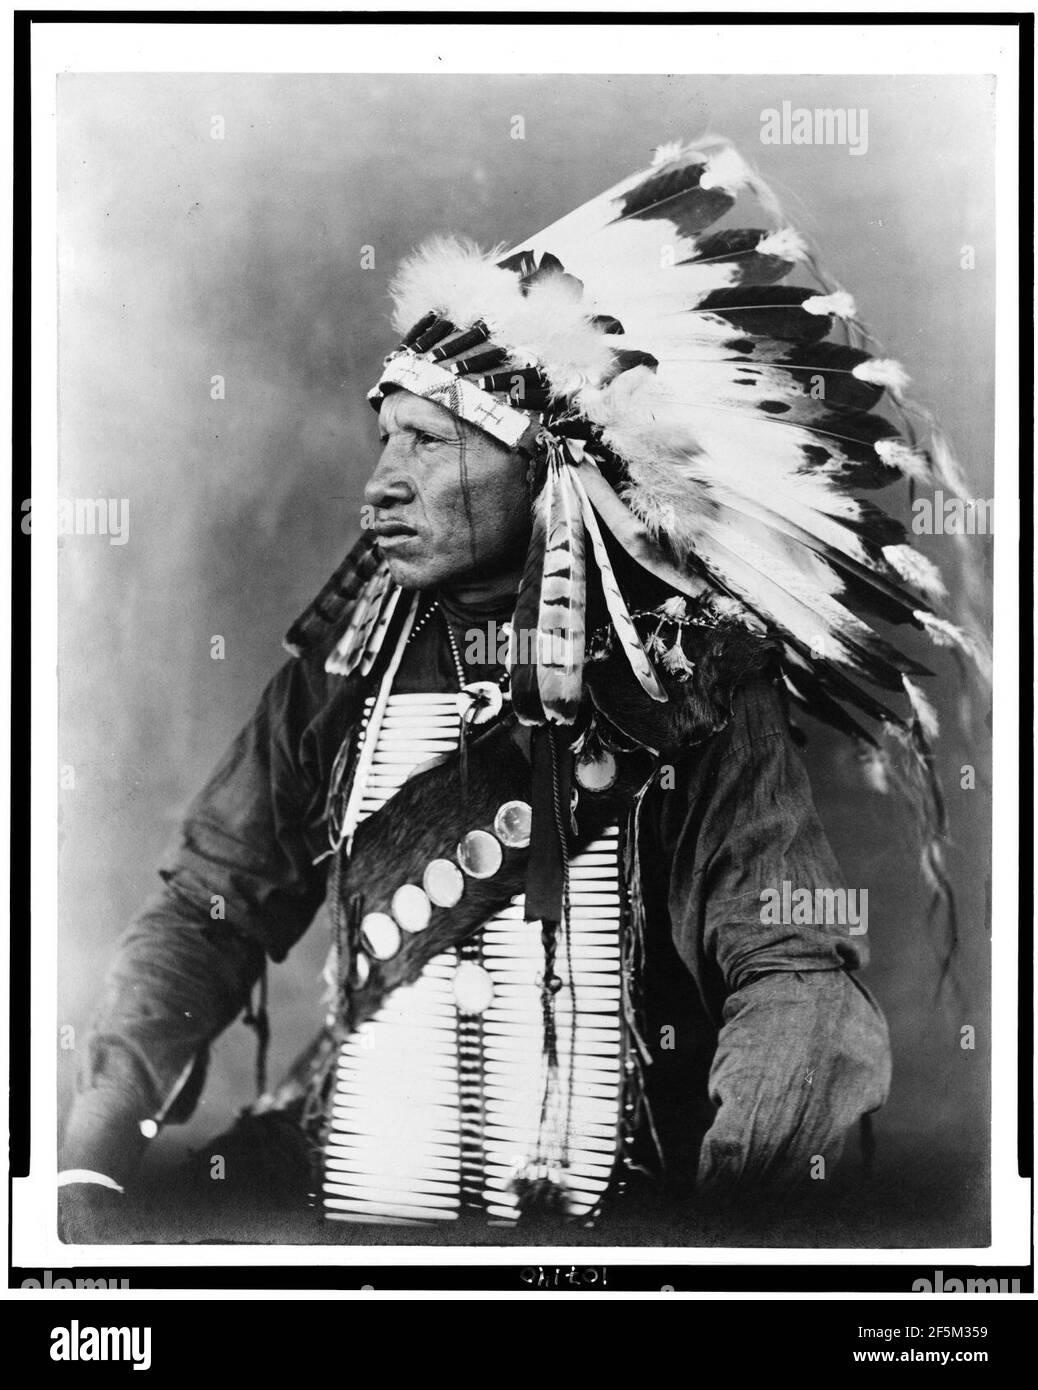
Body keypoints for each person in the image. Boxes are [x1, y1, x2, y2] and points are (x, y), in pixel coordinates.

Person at [59, 138, 983, 1242]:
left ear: (542, 463)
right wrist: (89, 1163)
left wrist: (735, 1235)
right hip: (346, 1230)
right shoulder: (337, 677)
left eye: (426, 444)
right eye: (382, 439)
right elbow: (207, 910)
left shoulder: (681, 683)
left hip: (601, 1245)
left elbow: (793, 974)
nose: (379, 486)